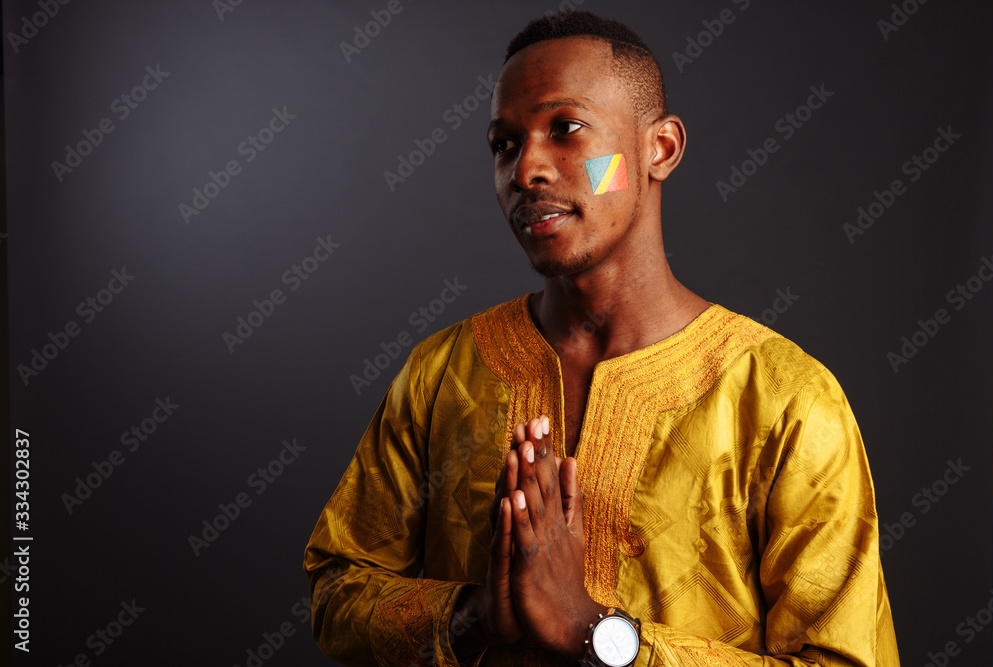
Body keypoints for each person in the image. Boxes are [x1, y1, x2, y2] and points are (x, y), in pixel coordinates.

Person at [304, 10, 900, 666]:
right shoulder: (442, 371)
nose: (525, 168)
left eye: (566, 129)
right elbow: (337, 588)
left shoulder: (787, 400)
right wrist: (472, 615)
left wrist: (597, 632)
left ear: (661, 149)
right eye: (504, 143)